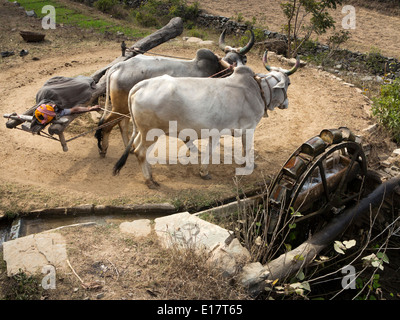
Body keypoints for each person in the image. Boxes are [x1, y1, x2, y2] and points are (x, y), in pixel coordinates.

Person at [30, 102, 101, 133]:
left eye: (50, 105)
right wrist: (90, 108)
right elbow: (75, 110)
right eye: (52, 106)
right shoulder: (60, 112)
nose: (52, 105)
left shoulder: (41, 108)